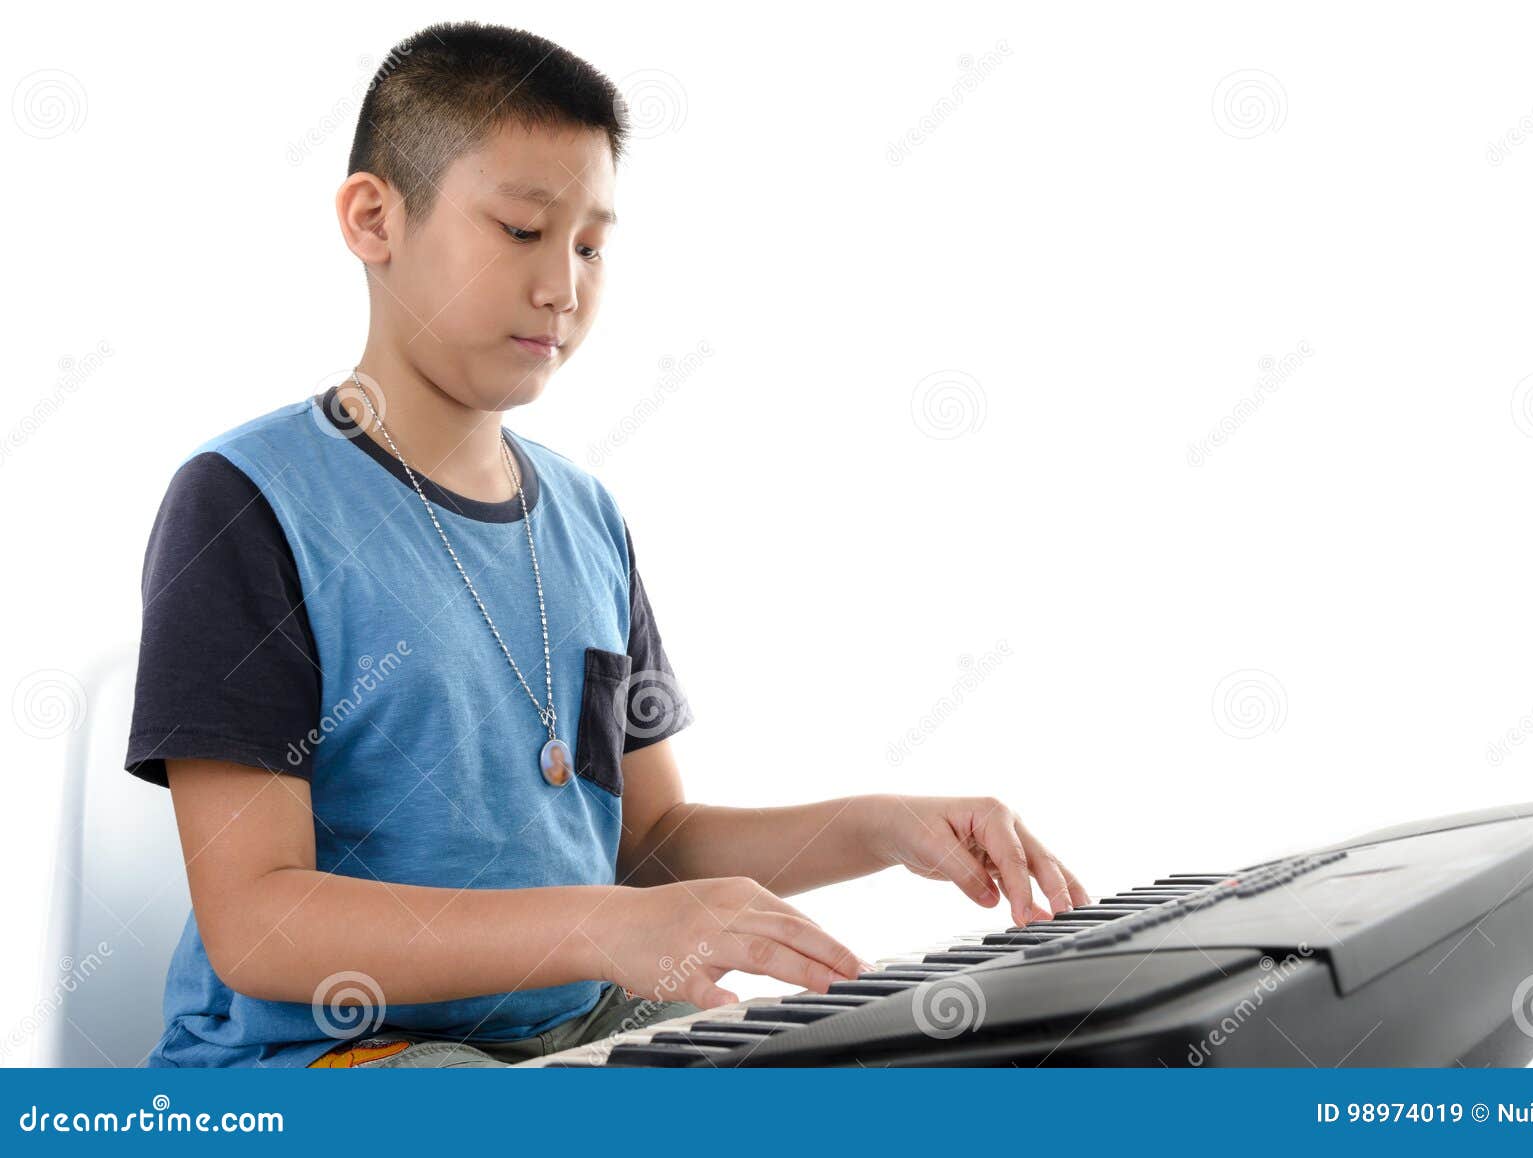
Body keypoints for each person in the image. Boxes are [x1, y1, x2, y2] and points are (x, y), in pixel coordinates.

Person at [123, 20, 1089, 1069]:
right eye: (522, 230)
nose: (564, 288)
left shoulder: (586, 518)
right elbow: (259, 924)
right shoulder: (245, 504)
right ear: (373, 217)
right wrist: (604, 929)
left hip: (567, 1029)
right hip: (322, 1063)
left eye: (591, 245)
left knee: (867, 1082)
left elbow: (648, 847)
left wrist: (877, 829)